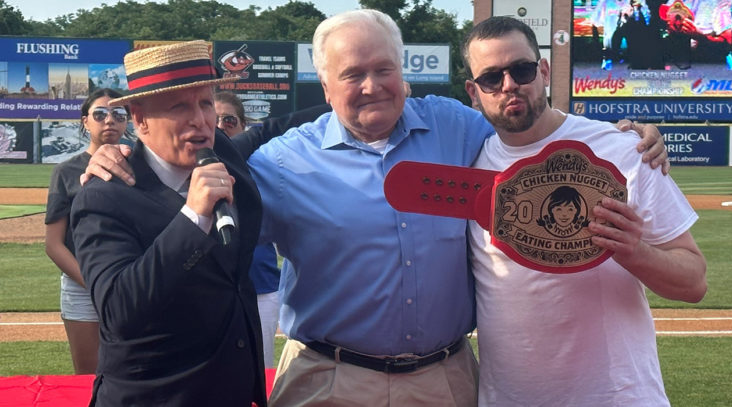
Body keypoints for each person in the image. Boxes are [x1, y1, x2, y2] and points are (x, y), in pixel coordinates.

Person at [83, 10, 668, 406]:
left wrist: (620, 135)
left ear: (404, 73)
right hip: (328, 380)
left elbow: (530, 131)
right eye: (352, 75)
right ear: (326, 83)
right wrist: (103, 163)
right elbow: (186, 177)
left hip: (446, 380)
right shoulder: (279, 163)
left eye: (383, 69)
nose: (371, 86)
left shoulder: (461, 130)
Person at [462, 16, 707, 406]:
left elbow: (694, 282)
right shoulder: (468, 163)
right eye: (492, 78)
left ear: (543, 71)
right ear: (474, 92)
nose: (509, 85)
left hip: (619, 396)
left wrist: (633, 251)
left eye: (521, 70)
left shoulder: (625, 150)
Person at [70, 41, 267, 407]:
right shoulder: (104, 197)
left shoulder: (218, 150)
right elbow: (118, 312)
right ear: (140, 119)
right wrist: (192, 219)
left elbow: (275, 127)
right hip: (156, 397)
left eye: (206, 103)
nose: (201, 120)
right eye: (179, 107)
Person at [44, 88, 130, 374]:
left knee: (133, 372)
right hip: (82, 287)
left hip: (132, 284)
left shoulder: (140, 169)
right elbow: (54, 244)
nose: (110, 121)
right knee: (89, 378)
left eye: (119, 114)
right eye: (100, 114)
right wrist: (95, 282)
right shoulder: (67, 172)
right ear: (85, 121)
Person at [215, 90, 282, 368]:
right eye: (213, 119)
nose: (220, 126)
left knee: (259, 371)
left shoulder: (265, 168)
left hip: (260, 287)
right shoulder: (183, 165)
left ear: (243, 126)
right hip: (206, 289)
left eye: (229, 120)